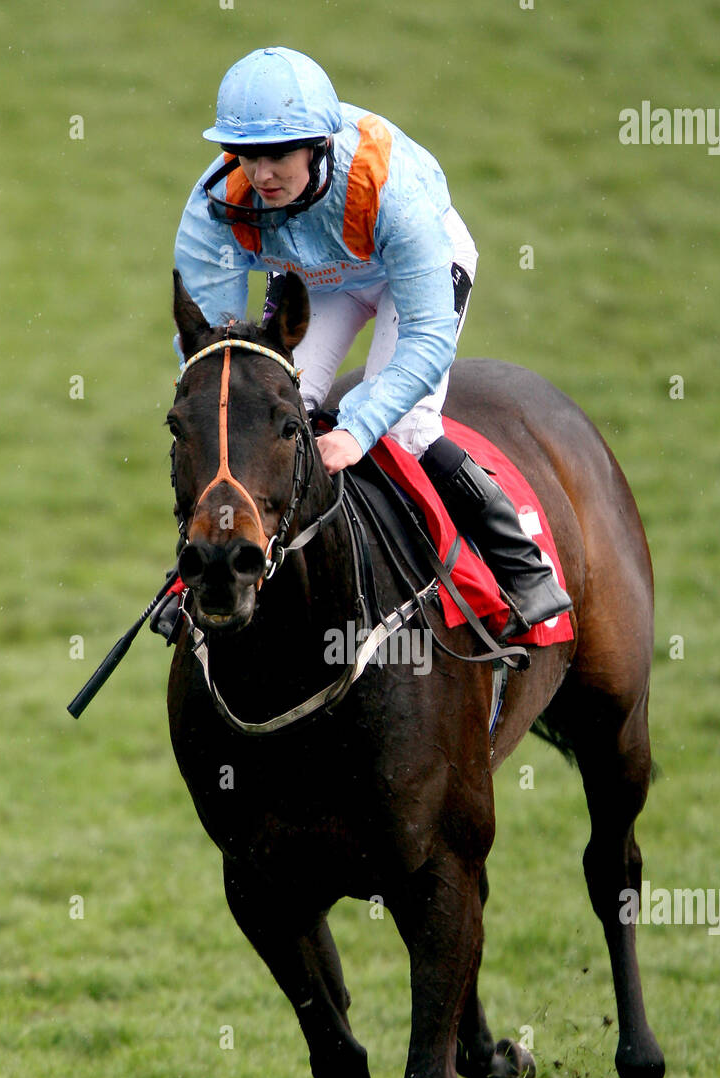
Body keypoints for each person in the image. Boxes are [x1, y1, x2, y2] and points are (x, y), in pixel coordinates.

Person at [162, 46, 571, 636]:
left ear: (319, 146)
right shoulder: (216, 204)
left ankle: (522, 568)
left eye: (279, 155)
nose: (262, 174)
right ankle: (204, 576)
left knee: (407, 428)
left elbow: (428, 339)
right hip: (320, 279)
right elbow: (213, 355)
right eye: (247, 156)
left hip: (413, 269)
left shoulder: (389, 188)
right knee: (271, 414)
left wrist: (358, 427)